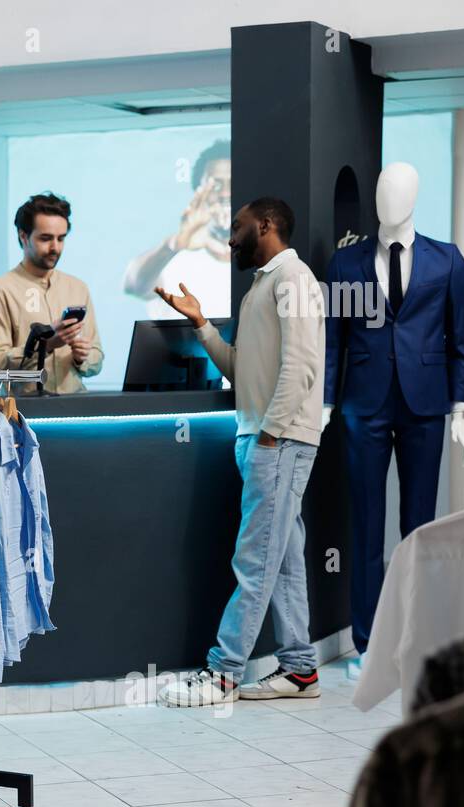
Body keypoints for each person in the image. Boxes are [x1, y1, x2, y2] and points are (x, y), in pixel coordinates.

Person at [154, 197, 326, 707]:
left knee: (254, 559)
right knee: (283, 558)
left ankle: (223, 672)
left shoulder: (293, 279)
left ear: (267, 225)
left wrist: (272, 432)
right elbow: (241, 368)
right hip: (263, 438)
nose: (230, 237)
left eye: (238, 227)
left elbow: (302, 364)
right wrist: (201, 324)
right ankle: (299, 670)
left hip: (280, 441)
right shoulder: (263, 285)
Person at [0, 193, 102, 394]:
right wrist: (45, 346)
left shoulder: (78, 288)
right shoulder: (0, 291)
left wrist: (83, 357)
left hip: (76, 409)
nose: (55, 247)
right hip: (23, 415)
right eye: (45, 238)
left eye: (61, 238)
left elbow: (96, 359)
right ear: (23, 236)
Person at [123, 140, 232, 319]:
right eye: (216, 185)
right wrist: (173, 247)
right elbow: (133, 285)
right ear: (199, 191)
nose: (225, 194)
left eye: (233, 184)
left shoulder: (266, 260)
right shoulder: (175, 255)